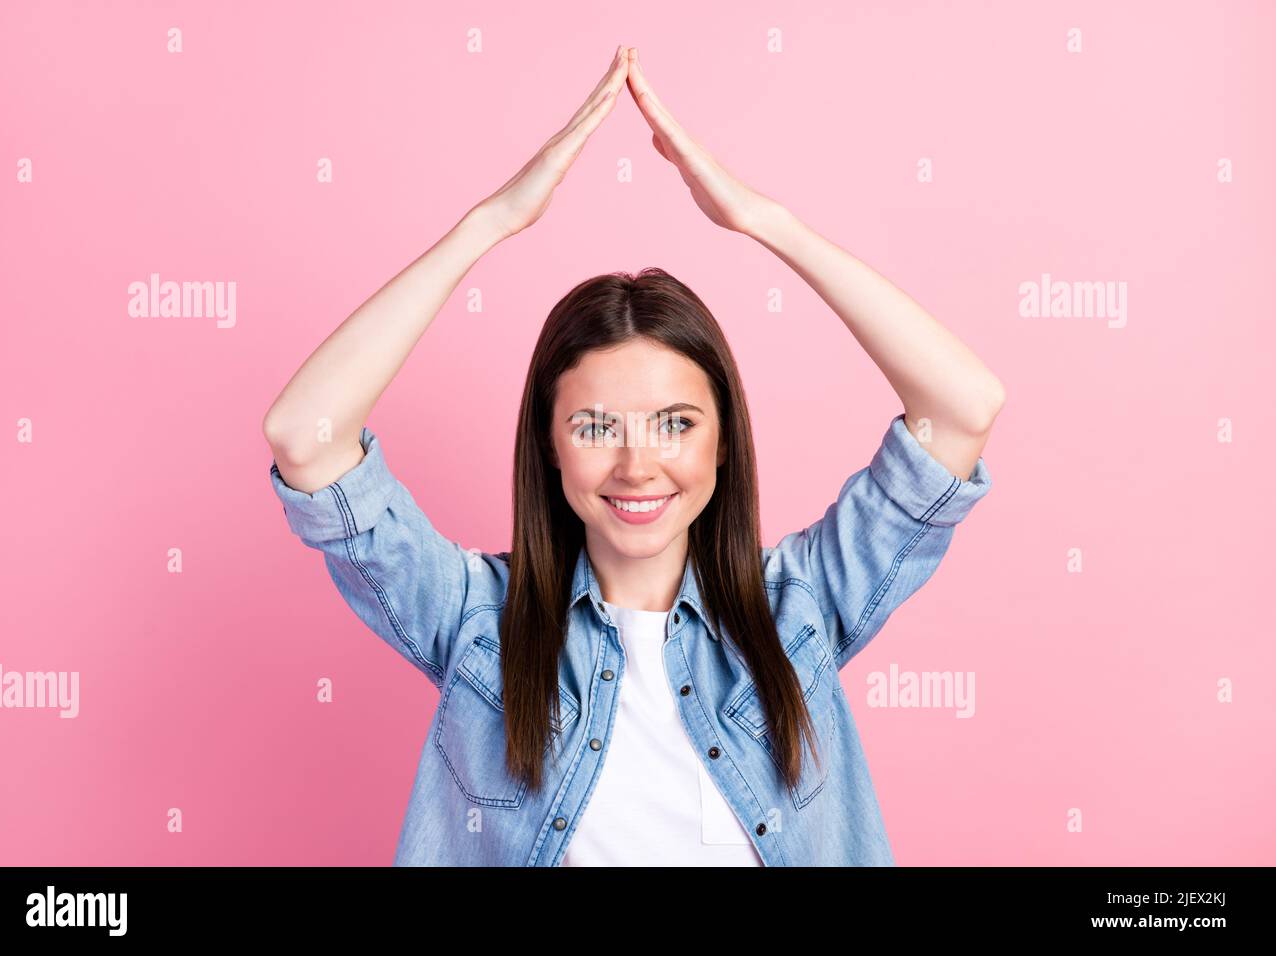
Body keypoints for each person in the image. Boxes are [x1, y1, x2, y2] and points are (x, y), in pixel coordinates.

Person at [262, 45, 1004, 866]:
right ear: (548, 446)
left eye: (675, 423)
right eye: (594, 427)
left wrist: (764, 222)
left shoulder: (800, 610)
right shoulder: (478, 624)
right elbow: (308, 433)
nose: (636, 464)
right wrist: (491, 223)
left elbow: (962, 407)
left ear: (725, 443)